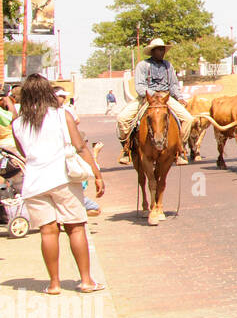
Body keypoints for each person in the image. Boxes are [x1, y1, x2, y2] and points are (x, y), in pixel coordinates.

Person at [10, 75, 106, 294]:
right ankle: (86, 281)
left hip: (35, 183)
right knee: (75, 227)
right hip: (62, 179)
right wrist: (96, 173)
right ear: (48, 93)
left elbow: (25, 153)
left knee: (48, 232)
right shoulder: (62, 115)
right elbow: (81, 147)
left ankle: (54, 284)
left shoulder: (17, 123)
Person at [116, 38, 196, 166]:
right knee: (122, 118)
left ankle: (179, 147)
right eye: (159, 49)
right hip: (147, 97)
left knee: (188, 119)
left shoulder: (168, 65)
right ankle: (127, 148)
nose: (162, 52)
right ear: (152, 51)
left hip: (165, 97)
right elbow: (140, 87)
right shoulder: (142, 66)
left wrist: (179, 97)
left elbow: (173, 84)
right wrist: (153, 95)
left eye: (163, 49)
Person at [56, 89, 101, 217]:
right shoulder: (62, 112)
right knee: (124, 120)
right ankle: (128, 146)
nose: (62, 99)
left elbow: (77, 121)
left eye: (64, 97)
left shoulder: (67, 109)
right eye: (60, 96)